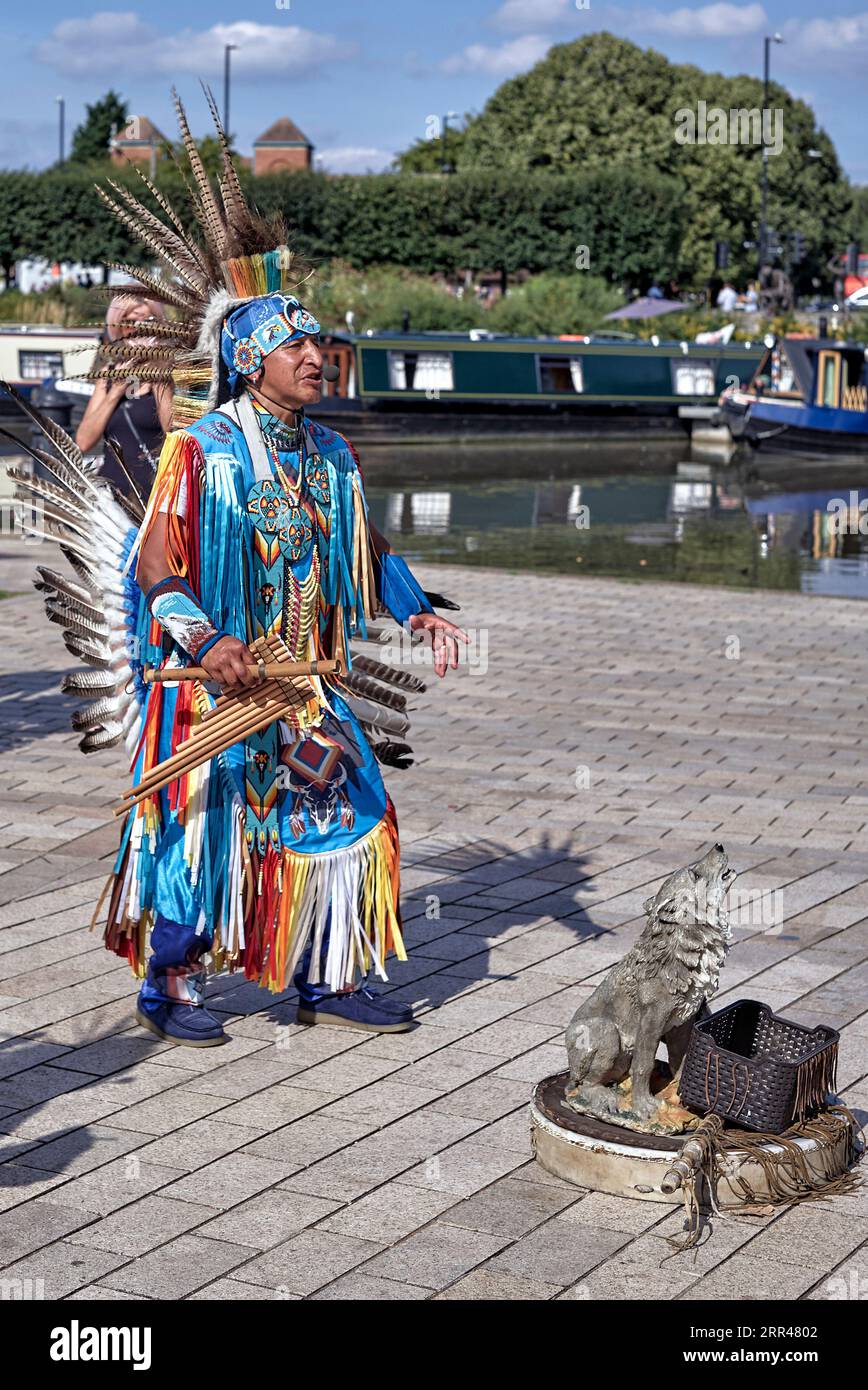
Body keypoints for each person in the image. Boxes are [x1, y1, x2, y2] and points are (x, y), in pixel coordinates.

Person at [66, 96, 470, 1047]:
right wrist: (205, 641)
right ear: (251, 360)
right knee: (203, 836)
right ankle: (170, 983)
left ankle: (326, 978)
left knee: (352, 808)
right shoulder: (200, 452)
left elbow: (361, 553)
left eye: (316, 344)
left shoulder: (332, 456)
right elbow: (159, 560)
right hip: (214, 683)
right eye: (295, 345)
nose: (315, 357)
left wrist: (413, 611)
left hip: (303, 678)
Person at [75, 295, 174, 500]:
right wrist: (116, 392)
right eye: (129, 323)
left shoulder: (171, 374)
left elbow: (172, 430)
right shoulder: (107, 375)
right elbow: (83, 442)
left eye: (148, 323)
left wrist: (157, 374)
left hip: (157, 495)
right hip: (113, 498)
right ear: (118, 328)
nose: (138, 329)